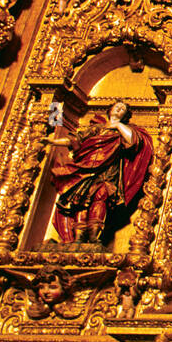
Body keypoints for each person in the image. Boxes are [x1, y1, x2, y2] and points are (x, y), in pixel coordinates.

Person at [46, 100, 153, 244]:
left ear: (125, 115)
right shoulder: (96, 128)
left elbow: (133, 140)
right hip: (86, 168)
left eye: (123, 109)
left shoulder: (124, 130)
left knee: (101, 195)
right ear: (110, 110)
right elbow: (74, 139)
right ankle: (78, 237)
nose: (119, 110)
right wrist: (51, 142)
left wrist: (118, 125)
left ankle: (94, 237)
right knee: (81, 199)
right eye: (117, 107)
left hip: (108, 170)